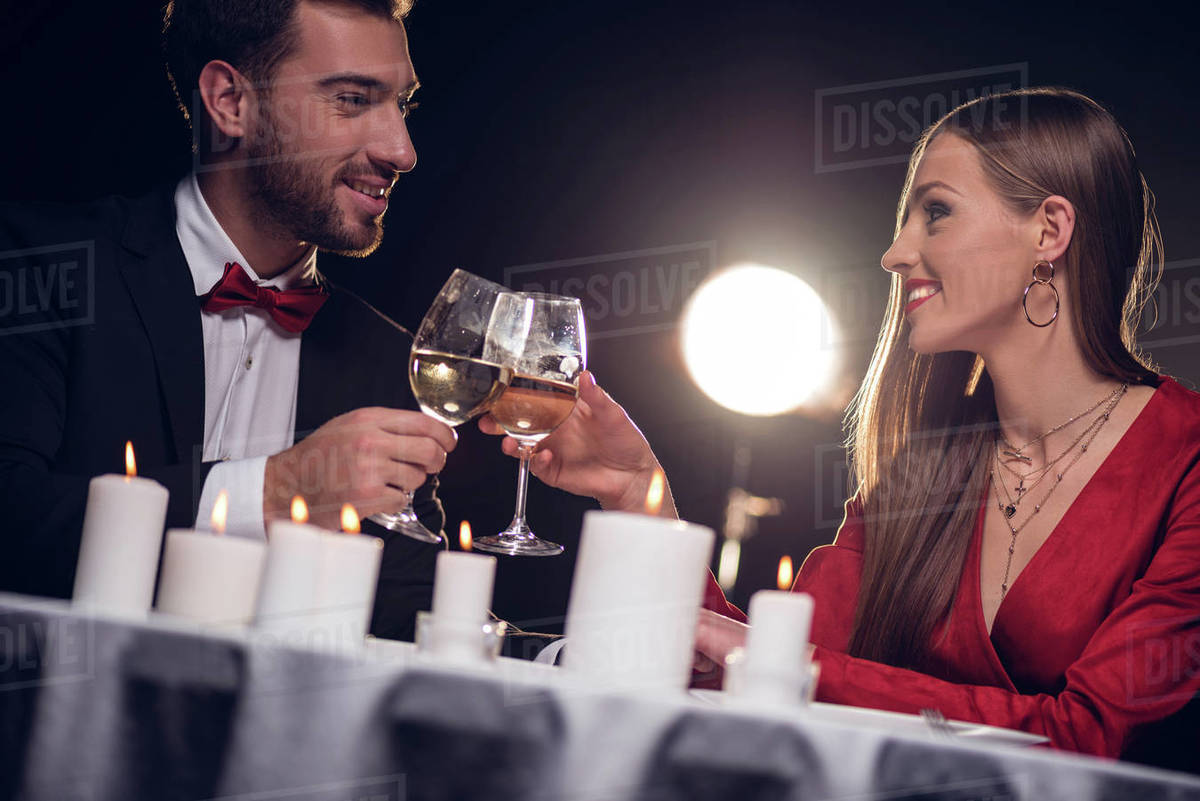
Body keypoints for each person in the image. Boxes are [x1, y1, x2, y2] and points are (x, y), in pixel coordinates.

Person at [481, 87, 1200, 768]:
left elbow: (1089, 740)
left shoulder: (1187, 458)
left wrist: (784, 664)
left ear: (1049, 229)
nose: (895, 253)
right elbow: (760, 660)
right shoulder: (926, 467)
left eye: (936, 212)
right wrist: (639, 491)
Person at [0, 0, 457, 640]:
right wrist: (274, 491)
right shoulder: (39, 267)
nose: (401, 151)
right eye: (353, 100)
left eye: (401, 106)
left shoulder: (393, 363)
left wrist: (631, 509)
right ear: (229, 102)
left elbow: (415, 622)